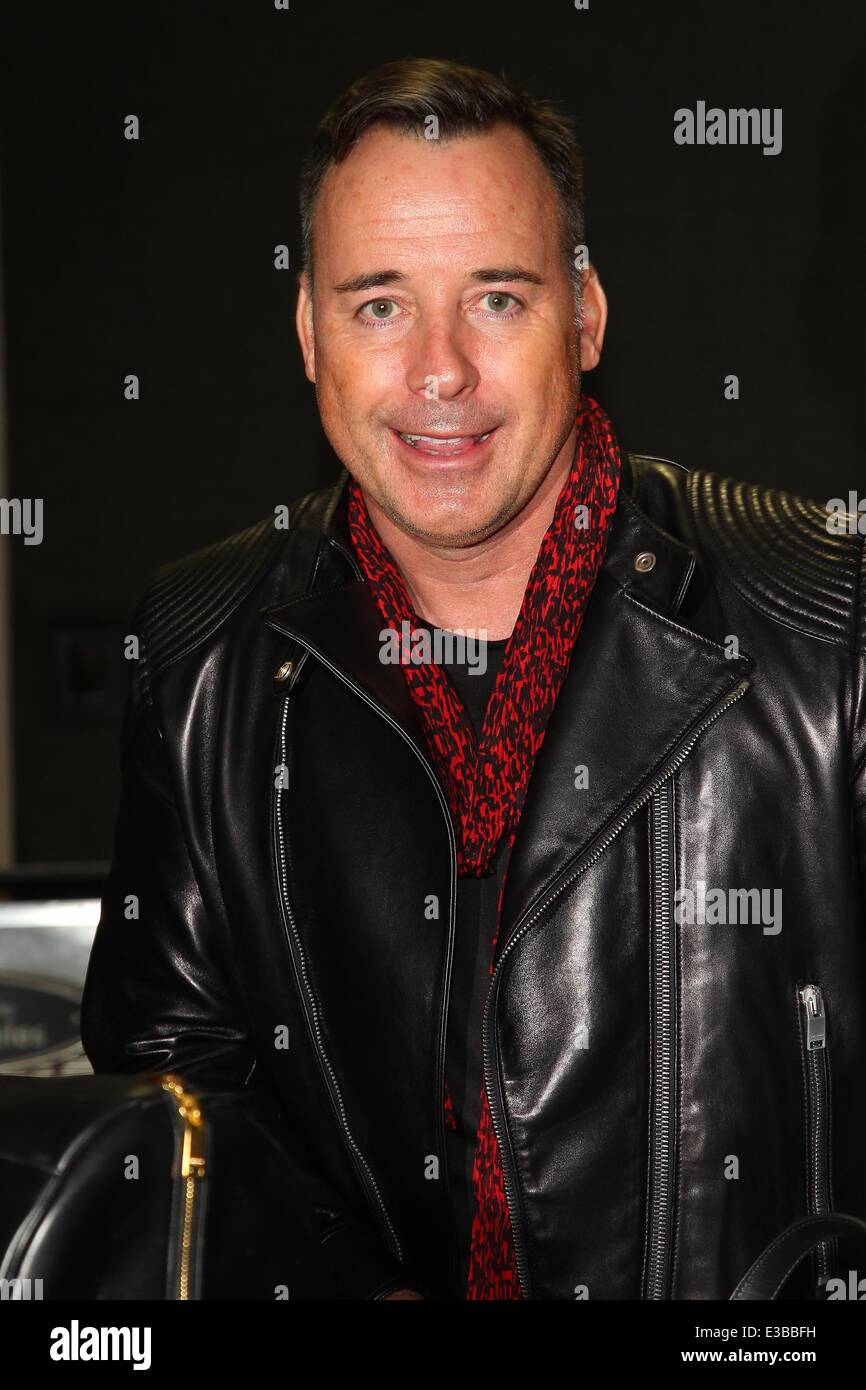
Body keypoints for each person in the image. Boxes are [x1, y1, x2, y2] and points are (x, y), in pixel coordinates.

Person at [81, 56, 866, 1301]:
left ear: (586, 314)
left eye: (495, 299)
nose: (438, 371)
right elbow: (175, 1111)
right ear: (307, 335)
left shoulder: (827, 627)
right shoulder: (201, 654)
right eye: (378, 305)